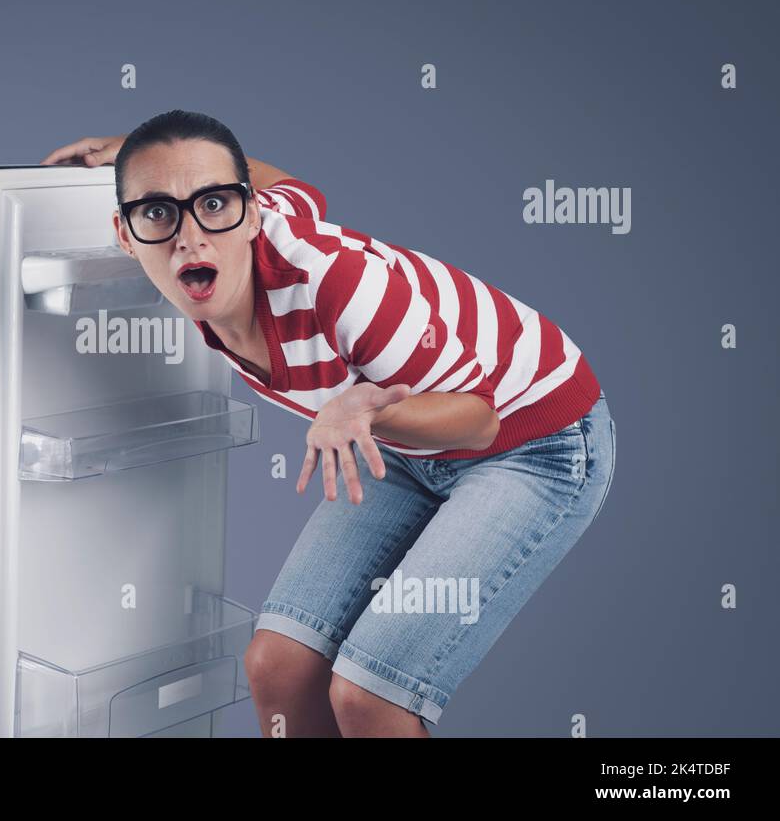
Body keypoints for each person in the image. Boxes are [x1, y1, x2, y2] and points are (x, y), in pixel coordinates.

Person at [42, 110, 616, 737]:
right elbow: (289, 183)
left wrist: (365, 407)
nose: (190, 237)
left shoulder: (343, 286)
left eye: (213, 205)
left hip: (531, 440)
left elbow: (478, 421)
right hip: (400, 440)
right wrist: (140, 153)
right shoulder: (242, 231)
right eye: (157, 212)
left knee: (369, 696)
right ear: (125, 234)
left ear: (251, 214)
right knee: (278, 667)